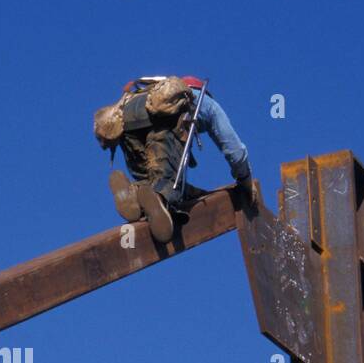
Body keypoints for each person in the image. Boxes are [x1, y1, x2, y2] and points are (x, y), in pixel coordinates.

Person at [96, 75, 253, 243]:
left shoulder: (146, 91)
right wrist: (245, 180)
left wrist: (193, 192)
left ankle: (133, 193)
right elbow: (235, 150)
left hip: (126, 120)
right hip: (161, 119)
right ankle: (161, 198)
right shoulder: (199, 101)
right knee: (167, 179)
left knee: (149, 177)